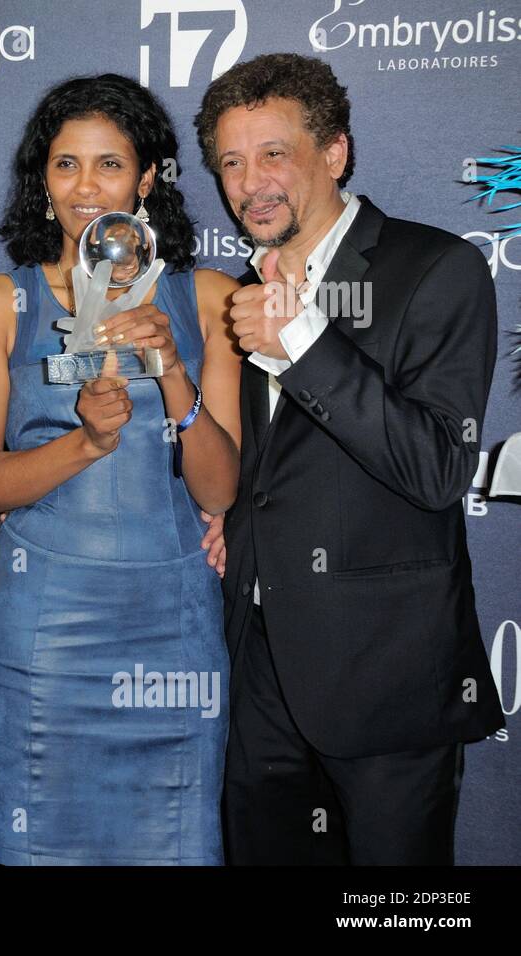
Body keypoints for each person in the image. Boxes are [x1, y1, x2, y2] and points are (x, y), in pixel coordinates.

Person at [195, 52, 505, 865]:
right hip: (259, 669)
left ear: (334, 153)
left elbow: (440, 467)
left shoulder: (436, 268)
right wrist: (232, 521)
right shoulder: (240, 293)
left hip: (386, 675)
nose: (249, 181)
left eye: (273, 153)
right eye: (230, 161)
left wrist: (302, 342)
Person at [0, 75, 241, 865]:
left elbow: (220, 490)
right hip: (43, 640)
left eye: (109, 164)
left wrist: (173, 368)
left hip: (172, 639)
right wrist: (82, 446)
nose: (85, 186)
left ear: (147, 179)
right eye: (65, 164)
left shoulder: (209, 298)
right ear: (42, 180)